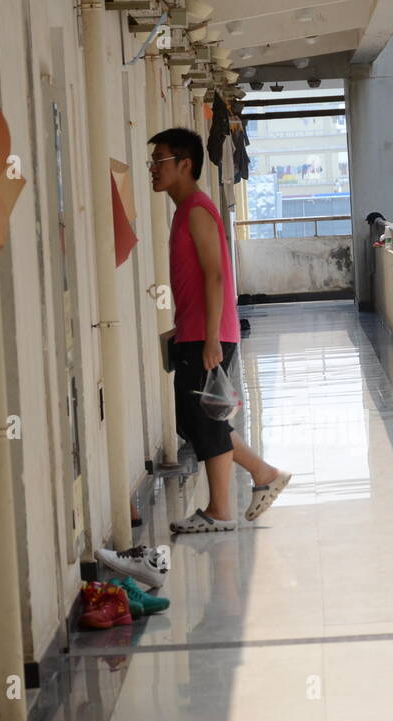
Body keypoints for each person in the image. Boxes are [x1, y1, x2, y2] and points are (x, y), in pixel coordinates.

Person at [147, 127, 290, 533]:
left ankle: (221, 510)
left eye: (159, 162)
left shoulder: (195, 208)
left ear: (184, 164)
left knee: (203, 421)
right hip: (194, 331)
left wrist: (210, 338)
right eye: (153, 163)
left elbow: (215, 277)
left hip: (207, 334)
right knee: (202, 419)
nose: (153, 171)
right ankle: (262, 476)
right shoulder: (186, 209)